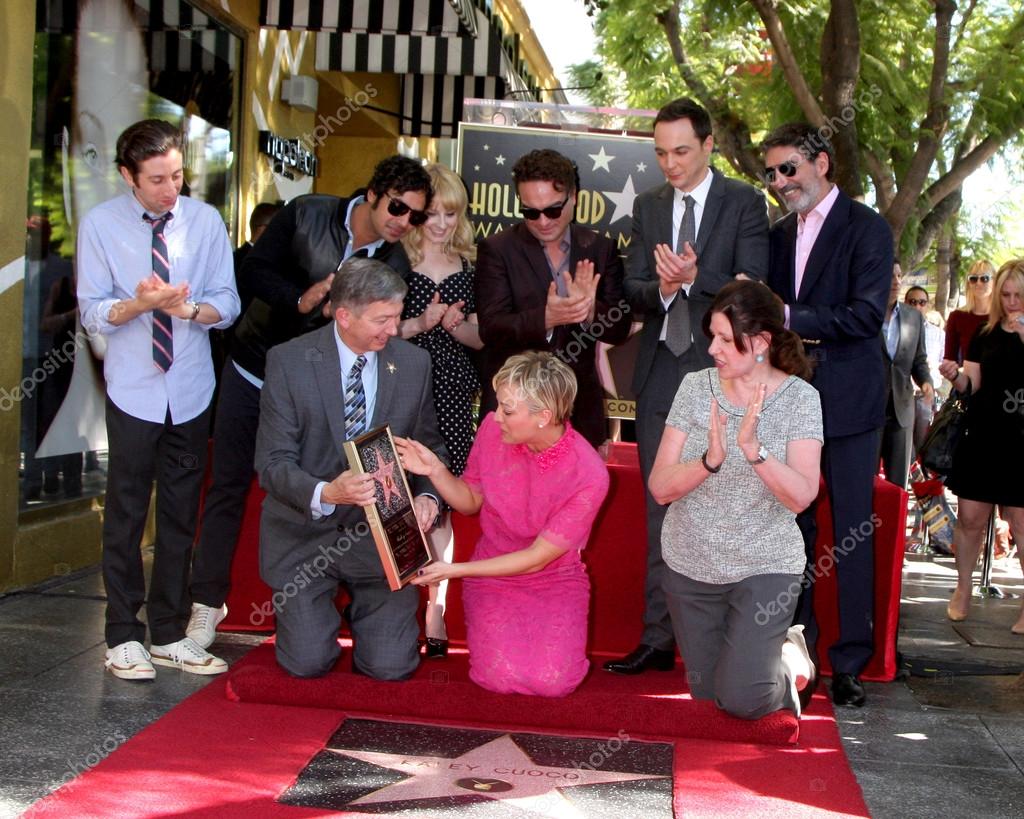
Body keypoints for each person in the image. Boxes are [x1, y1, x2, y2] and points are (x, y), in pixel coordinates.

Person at [186, 157, 431, 651]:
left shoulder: (397, 261)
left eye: (416, 216)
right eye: (398, 207)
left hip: (320, 387)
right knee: (230, 484)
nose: (404, 221)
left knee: (325, 477)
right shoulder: (306, 213)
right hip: (255, 367)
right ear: (372, 193)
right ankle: (206, 603)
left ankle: (340, 601)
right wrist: (299, 299)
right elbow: (250, 268)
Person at [608, 97, 769, 676]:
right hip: (660, 375)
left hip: (724, 376)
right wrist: (666, 289)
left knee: (727, 507)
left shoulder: (744, 202)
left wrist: (697, 278)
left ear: (708, 145)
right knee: (662, 506)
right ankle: (658, 639)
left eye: (680, 151)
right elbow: (632, 287)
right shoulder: (649, 205)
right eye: (660, 154)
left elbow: (753, 290)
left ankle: (726, 645)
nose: (670, 164)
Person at [77, 118, 240, 680]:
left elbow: (227, 303)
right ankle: (123, 634)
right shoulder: (101, 225)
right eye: (156, 179)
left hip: (190, 388)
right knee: (125, 513)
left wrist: (186, 309)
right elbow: (92, 311)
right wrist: (139, 305)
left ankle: (169, 631)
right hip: (133, 389)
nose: (171, 189)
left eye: (177, 176)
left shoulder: (205, 220)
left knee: (179, 512)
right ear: (128, 176)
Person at [255, 258, 448, 679]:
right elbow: (271, 463)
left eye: (397, 316)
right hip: (304, 540)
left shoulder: (414, 364)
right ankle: (313, 620)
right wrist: (327, 493)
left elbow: (430, 447)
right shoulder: (288, 361)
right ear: (344, 315)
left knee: (391, 667)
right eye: (382, 320)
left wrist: (427, 497)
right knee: (307, 663)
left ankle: (369, 623)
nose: (394, 330)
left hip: (384, 543)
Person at [762, 122, 892, 708]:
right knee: (792, 529)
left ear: (822, 163)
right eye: (772, 173)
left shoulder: (868, 228)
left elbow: (864, 315)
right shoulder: (775, 236)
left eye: (789, 168)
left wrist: (789, 315)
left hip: (851, 402)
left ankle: (851, 662)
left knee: (852, 531)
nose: (780, 181)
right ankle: (796, 653)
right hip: (788, 399)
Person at [649, 280, 822, 718]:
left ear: (761, 342)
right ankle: (762, 665)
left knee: (744, 699)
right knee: (710, 699)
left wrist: (754, 451)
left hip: (765, 565)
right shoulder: (695, 387)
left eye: (726, 340)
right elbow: (660, 487)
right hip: (690, 563)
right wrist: (709, 461)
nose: (713, 349)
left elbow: (802, 496)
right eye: (713, 336)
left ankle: (789, 663)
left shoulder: (801, 399)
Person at [396, 352, 610, 697]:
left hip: (553, 579)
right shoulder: (492, 431)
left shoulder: (589, 474)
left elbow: (538, 558)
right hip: (490, 576)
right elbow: (470, 501)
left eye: (508, 410)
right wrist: (435, 470)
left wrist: (454, 570)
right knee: (499, 678)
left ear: (544, 416)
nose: (496, 417)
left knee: (553, 683)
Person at [475, 148, 631, 449]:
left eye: (553, 210)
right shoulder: (497, 249)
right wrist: (547, 319)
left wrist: (589, 311)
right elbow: (491, 328)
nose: (543, 221)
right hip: (513, 410)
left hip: (578, 409)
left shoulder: (600, 249)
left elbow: (620, 327)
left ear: (573, 198)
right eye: (531, 212)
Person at [398, 163, 482, 658]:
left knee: (440, 503)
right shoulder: (395, 260)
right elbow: (373, 332)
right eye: (432, 213)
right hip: (401, 390)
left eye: (451, 213)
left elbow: (483, 338)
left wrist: (452, 325)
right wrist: (419, 323)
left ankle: (436, 606)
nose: (441, 223)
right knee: (397, 496)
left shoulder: (471, 267)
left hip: (452, 392)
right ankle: (387, 601)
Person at [939, 259, 1024, 634]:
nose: (1011, 302)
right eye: (1006, 295)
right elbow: (972, 385)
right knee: (970, 517)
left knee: (1020, 522)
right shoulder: (985, 334)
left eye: (1018, 295)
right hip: (984, 434)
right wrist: (956, 376)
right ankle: (962, 588)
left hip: (1021, 439)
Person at [880, 263, 934, 489]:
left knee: (897, 485)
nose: (896, 281)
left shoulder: (913, 317)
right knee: (864, 481)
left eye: (899, 275)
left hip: (901, 411)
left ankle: (895, 515)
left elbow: (919, 360)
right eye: (890, 275)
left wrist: (926, 382)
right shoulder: (864, 313)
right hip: (867, 409)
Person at [944, 260, 995, 365]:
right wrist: (951, 370)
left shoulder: (1003, 316)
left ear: (995, 282)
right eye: (973, 279)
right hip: (967, 375)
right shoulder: (956, 317)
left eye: (984, 278)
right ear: (968, 284)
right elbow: (950, 359)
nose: (978, 283)